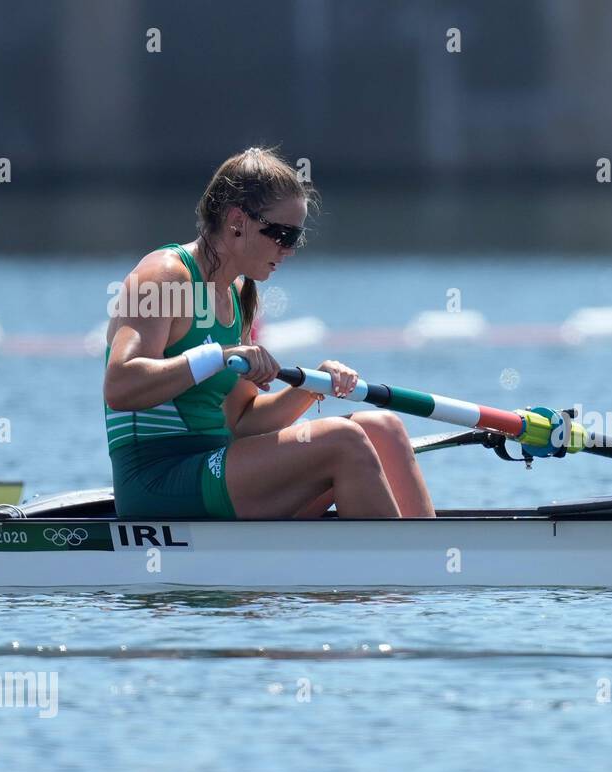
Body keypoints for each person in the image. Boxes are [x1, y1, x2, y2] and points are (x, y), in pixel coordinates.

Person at [103, 146, 434, 520]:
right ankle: (396, 570)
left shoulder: (236, 295)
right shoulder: (165, 277)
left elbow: (242, 421)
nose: (289, 251)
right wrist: (218, 356)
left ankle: (433, 565)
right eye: (281, 234)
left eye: (296, 238)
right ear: (237, 222)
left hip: (214, 466)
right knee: (345, 442)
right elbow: (120, 385)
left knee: (382, 427)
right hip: (157, 480)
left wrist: (308, 389)